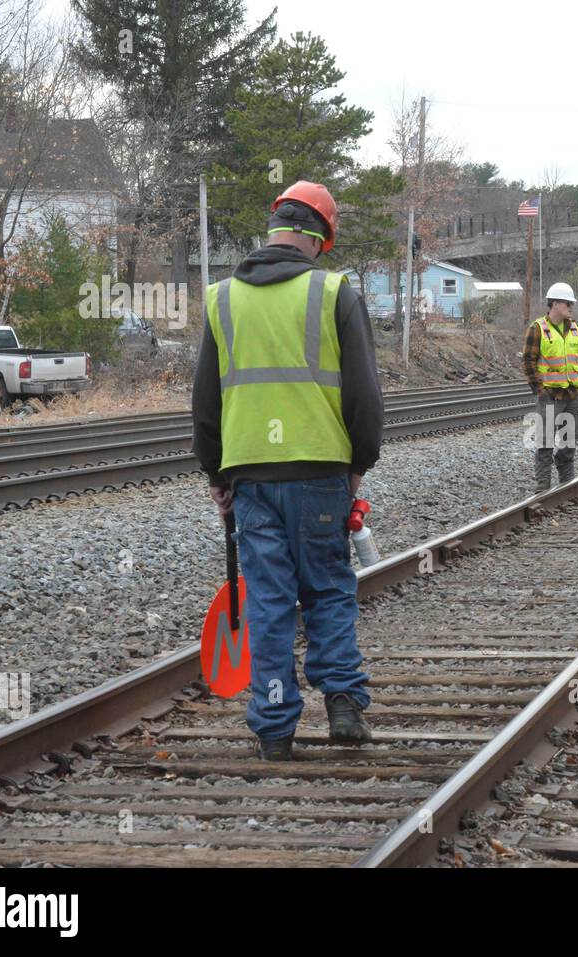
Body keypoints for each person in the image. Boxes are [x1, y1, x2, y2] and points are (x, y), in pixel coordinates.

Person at [192, 181, 384, 762]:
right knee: (327, 587)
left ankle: (274, 727)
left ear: (276, 226)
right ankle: (344, 703)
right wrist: (359, 464)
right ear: (320, 237)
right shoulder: (334, 292)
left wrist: (216, 475)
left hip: (249, 473)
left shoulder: (221, 297)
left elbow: (206, 401)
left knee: (269, 598)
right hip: (320, 469)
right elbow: (366, 396)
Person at [522, 282, 578, 492]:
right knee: (545, 442)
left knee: (570, 443)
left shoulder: (576, 328)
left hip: (573, 395)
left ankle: (566, 483)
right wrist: (539, 390)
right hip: (550, 395)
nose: (571, 307)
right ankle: (543, 486)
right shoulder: (538, 328)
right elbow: (528, 360)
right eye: (568, 303)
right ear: (556, 304)